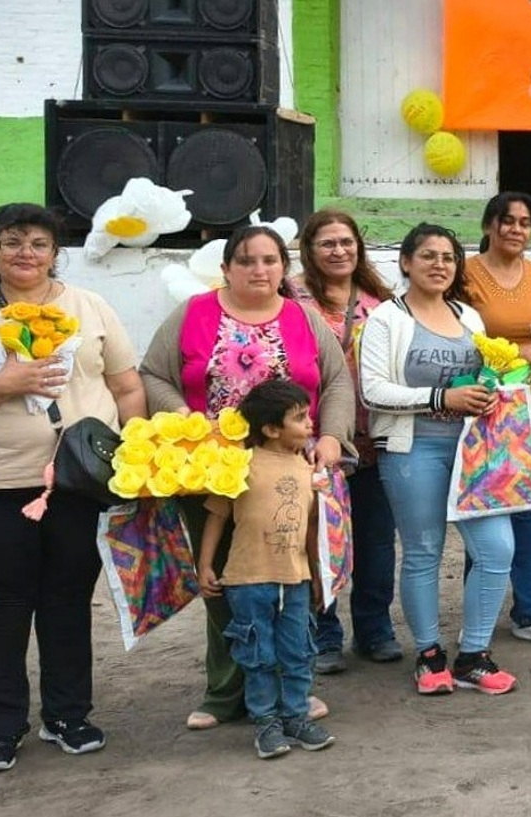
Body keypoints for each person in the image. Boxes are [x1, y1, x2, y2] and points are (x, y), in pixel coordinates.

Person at [0, 203, 147, 772]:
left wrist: (127, 451)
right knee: (0, 607)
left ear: (56, 252)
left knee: (67, 602)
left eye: (39, 243)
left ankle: (68, 715)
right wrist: (3, 384)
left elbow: (126, 387)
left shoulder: (90, 307)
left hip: (76, 485)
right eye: (12, 241)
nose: (26, 252)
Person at [140, 224, 354, 731]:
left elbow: (338, 378)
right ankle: (225, 691)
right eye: (247, 261)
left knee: (292, 577)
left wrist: (332, 438)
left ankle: (291, 688)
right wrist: (192, 427)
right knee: (226, 582)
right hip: (215, 473)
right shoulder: (193, 313)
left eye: (270, 261)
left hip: (291, 473)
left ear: (284, 267)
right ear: (226, 268)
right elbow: (154, 374)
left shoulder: (303, 316)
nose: (259, 270)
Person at [361, 223, 519, 697]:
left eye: (448, 257)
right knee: (424, 552)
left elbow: (483, 376)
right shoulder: (387, 319)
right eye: (427, 255)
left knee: (496, 551)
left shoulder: (469, 317)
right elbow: (373, 390)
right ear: (406, 262)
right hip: (414, 450)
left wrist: (490, 395)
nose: (438, 265)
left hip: (475, 453)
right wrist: (441, 397)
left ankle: (474, 654)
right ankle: (429, 655)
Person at [197, 380, 337, 758]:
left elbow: (311, 527)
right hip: (247, 580)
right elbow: (216, 516)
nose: (310, 424)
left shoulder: (308, 467)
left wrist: (317, 575)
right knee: (258, 657)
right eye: (300, 418)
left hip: (294, 581)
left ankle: (296, 717)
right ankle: (266, 725)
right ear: (271, 429)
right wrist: (206, 563)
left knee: (298, 652)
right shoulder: (241, 464)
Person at [290, 210, 401, 673]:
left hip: (374, 440)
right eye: (328, 244)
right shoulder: (290, 297)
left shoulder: (383, 301)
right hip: (312, 444)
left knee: (377, 540)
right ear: (310, 250)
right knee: (317, 540)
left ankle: (374, 630)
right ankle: (323, 634)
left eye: (347, 242)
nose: (339, 251)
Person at [459, 191, 531, 648]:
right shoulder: (465, 274)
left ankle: (530, 610)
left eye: (525, 222)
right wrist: (514, 352)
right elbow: (457, 336)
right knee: (483, 510)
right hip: (483, 404)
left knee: (529, 508)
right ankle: (478, 614)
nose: (516, 229)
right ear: (490, 225)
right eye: (507, 220)